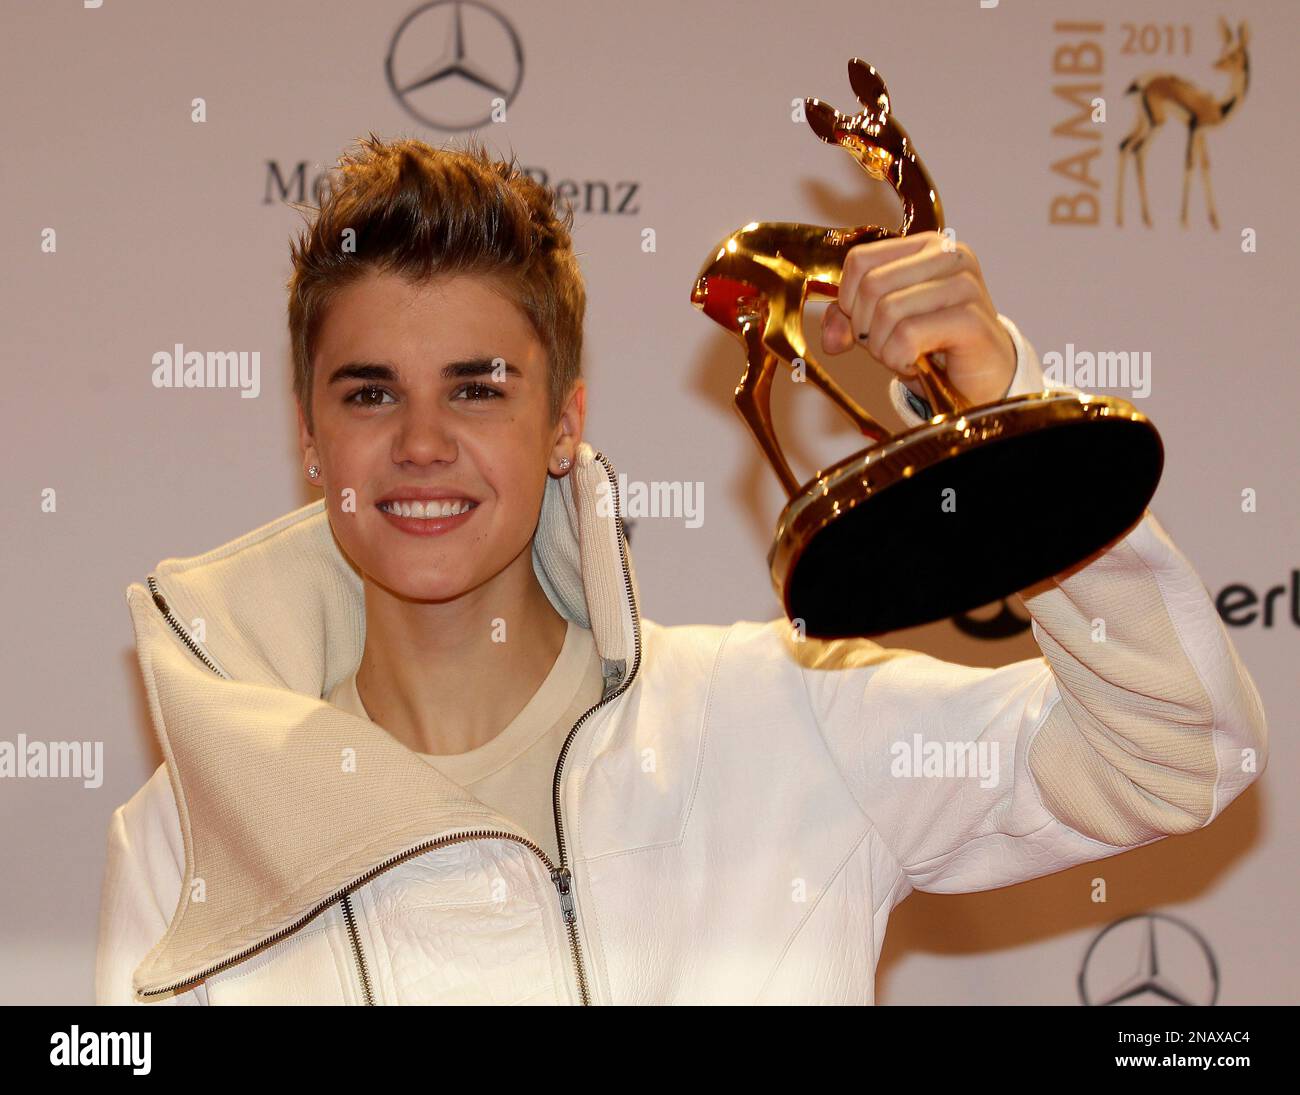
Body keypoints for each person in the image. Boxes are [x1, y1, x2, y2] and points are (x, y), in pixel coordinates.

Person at [94, 134, 1268, 1005]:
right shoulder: (192, 839)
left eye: (476, 387)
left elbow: (1175, 753)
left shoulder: (785, 721)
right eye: (369, 393)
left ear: (565, 424)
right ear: (309, 436)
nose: (419, 444)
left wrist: (1002, 417)